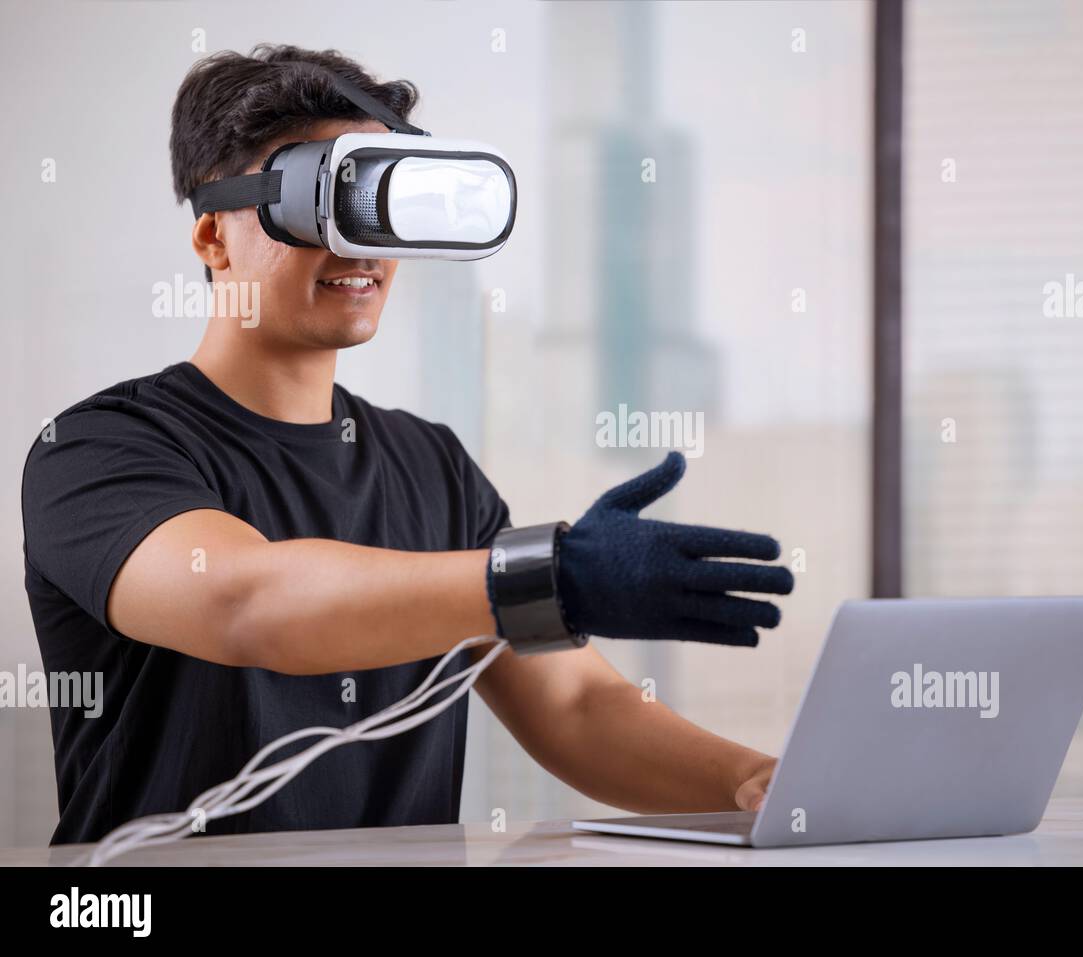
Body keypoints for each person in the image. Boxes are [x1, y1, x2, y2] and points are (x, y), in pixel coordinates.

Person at [20, 44, 794, 845]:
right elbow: (245, 603)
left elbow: (576, 705)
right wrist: (540, 576)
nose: (360, 249)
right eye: (320, 205)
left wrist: (761, 784)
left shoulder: (431, 466)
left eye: (379, 206)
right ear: (214, 236)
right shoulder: (97, 448)